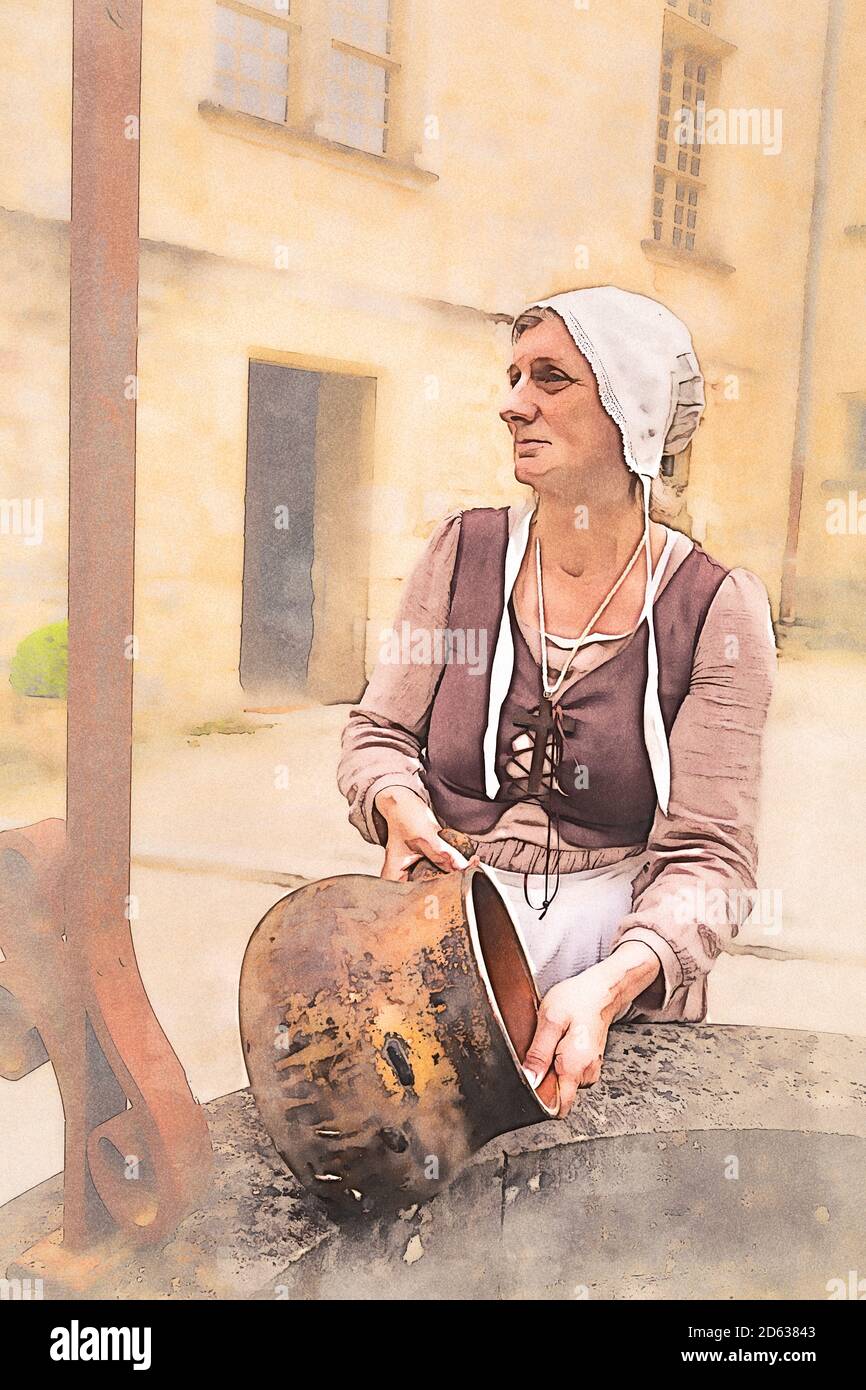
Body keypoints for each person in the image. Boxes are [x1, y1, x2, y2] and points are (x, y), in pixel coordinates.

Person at [337, 285, 776, 1118]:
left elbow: (713, 863)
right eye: (512, 377)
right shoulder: (463, 554)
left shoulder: (713, 608)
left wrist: (616, 981)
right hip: (446, 945)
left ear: (631, 407)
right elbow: (379, 734)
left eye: (551, 379)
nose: (513, 405)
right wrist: (393, 802)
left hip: (617, 969)